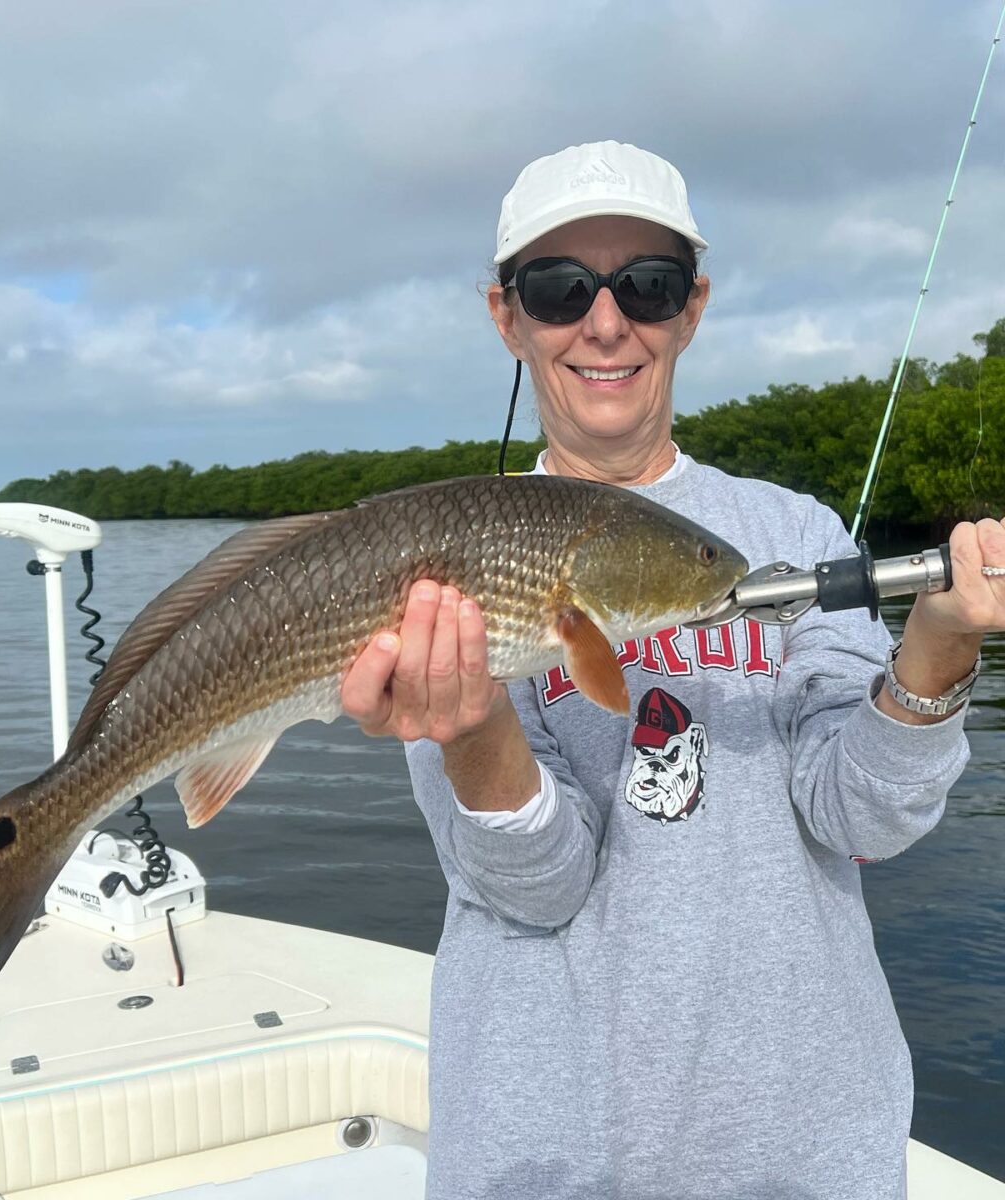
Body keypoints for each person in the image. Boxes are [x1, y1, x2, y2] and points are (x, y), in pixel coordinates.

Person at [341, 141, 1005, 1200]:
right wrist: (473, 733)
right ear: (506, 317)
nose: (605, 322)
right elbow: (538, 884)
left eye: (646, 285)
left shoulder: (793, 530)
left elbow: (863, 818)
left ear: (691, 309)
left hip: (806, 1152)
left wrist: (938, 647)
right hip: (548, 1157)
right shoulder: (452, 560)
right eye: (558, 289)